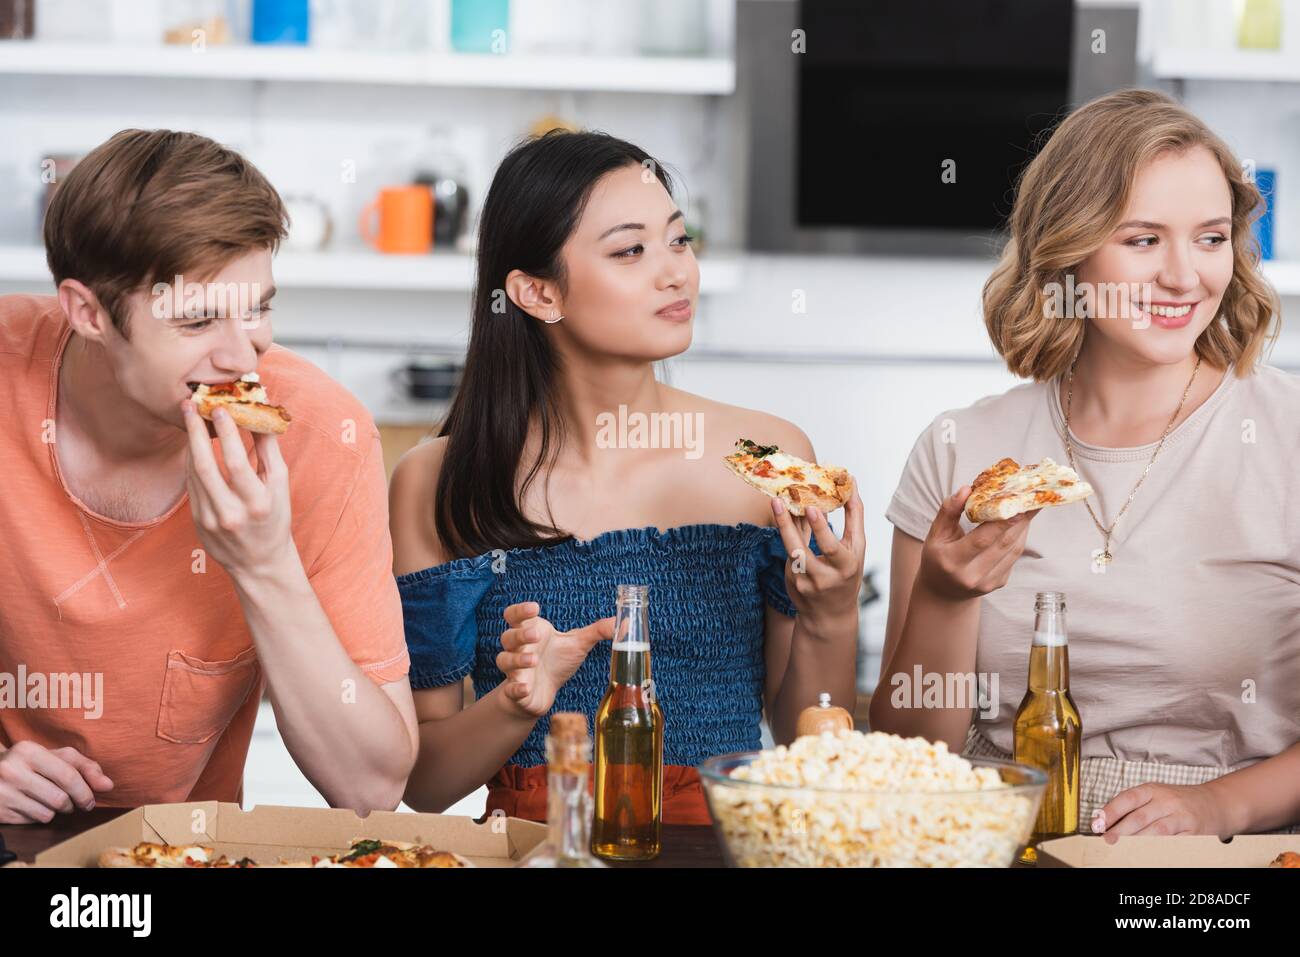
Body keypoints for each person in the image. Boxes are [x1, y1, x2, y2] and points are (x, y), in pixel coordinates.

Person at [393, 130, 865, 824]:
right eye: (630, 251)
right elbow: (424, 784)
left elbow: (806, 746)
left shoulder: (768, 458)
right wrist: (516, 701)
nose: (677, 273)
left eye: (679, 240)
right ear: (536, 291)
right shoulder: (435, 482)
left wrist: (832, 613)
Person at [871, 89, 1300, 836]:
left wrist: (1214, 806)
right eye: (1142, 240)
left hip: (1222, 853)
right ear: (1067, 249)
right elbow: (912, 754)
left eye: (1210, 237)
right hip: (996, 837)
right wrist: (942, 597)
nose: (1184, 276)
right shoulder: (959, 450)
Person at [0, 129, 417, 823]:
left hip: (185, 852)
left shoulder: (322, 436)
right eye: (196, 320)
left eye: (257, 308)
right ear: (88, 312)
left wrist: (264, 564)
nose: (241, 356)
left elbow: (372, 788)